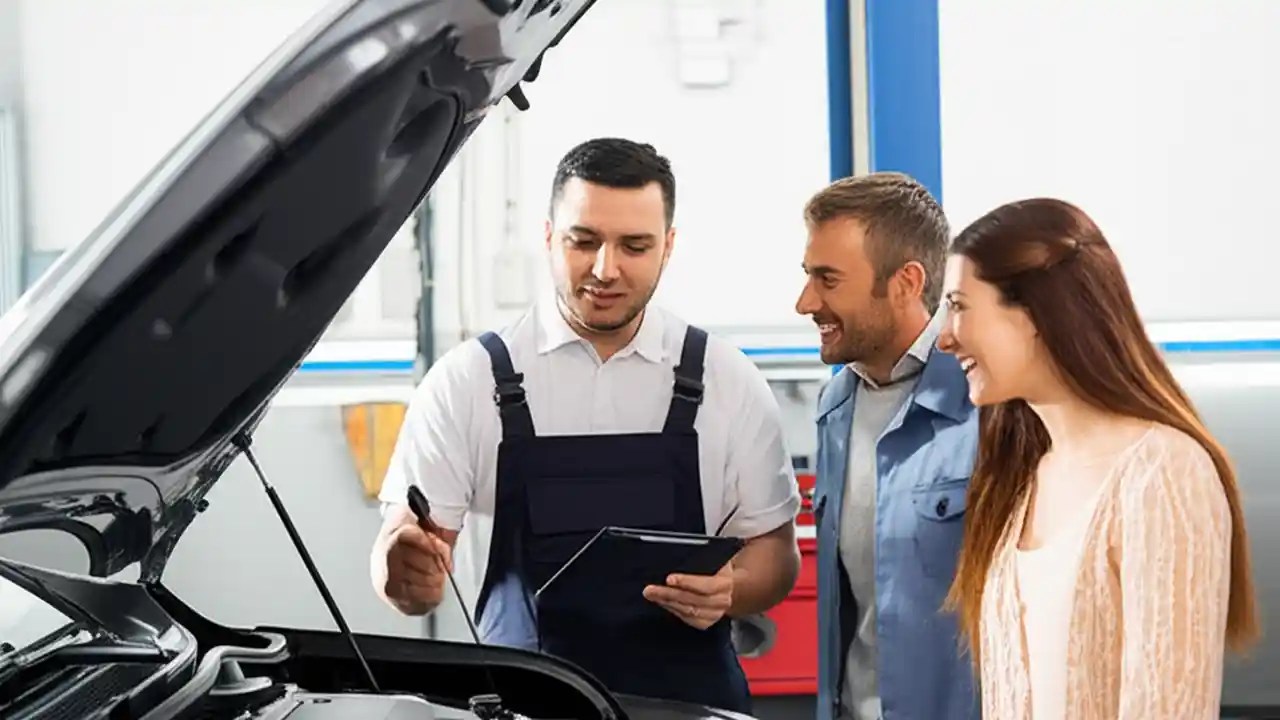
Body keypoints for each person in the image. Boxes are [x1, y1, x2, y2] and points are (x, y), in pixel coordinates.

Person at [369, 137, 802, 714]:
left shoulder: (727, 379)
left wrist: (733, 589)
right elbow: (404, 556)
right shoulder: (468, 381)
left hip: (689, 706)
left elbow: (775, 554)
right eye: (584, 241)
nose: (606, 268)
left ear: (668, 248)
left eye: (635, 246)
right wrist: (402, 571)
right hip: (524, 703)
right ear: (549, 238)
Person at [934, 197, 1261, 719]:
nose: (945, 337)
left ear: (1035, 315)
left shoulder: (1163, 473)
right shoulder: (1024, 477)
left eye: (959, 305)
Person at [795, 172, 980, 720]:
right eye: (808, 276)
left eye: (828, 280)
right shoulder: (836, 405)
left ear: (905, 282)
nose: (806, 302)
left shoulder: (987, 405)